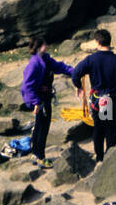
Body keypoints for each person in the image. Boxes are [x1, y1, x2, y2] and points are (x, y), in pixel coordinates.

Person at [71, 28, 116, 163]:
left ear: (97, 42)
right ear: (109, 42)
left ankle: (99, 158)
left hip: (98, 99)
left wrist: (79, 86)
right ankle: (110, 158)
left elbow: (76, 73)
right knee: (111, 130)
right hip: (111, 99)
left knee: (98, 129)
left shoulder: (91, 59)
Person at [21, 39, 75, 169]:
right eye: (45, 44)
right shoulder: (34, 63)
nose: (48, 45)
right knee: (42, 128)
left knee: (40, 126)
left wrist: (75, 71)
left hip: (45, 97)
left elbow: (59, 67)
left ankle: (36, 154)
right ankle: (40, 157)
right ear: (39, 47)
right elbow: (27, 86)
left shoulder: (45, 59)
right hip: (40, 100)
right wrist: (36, 102)